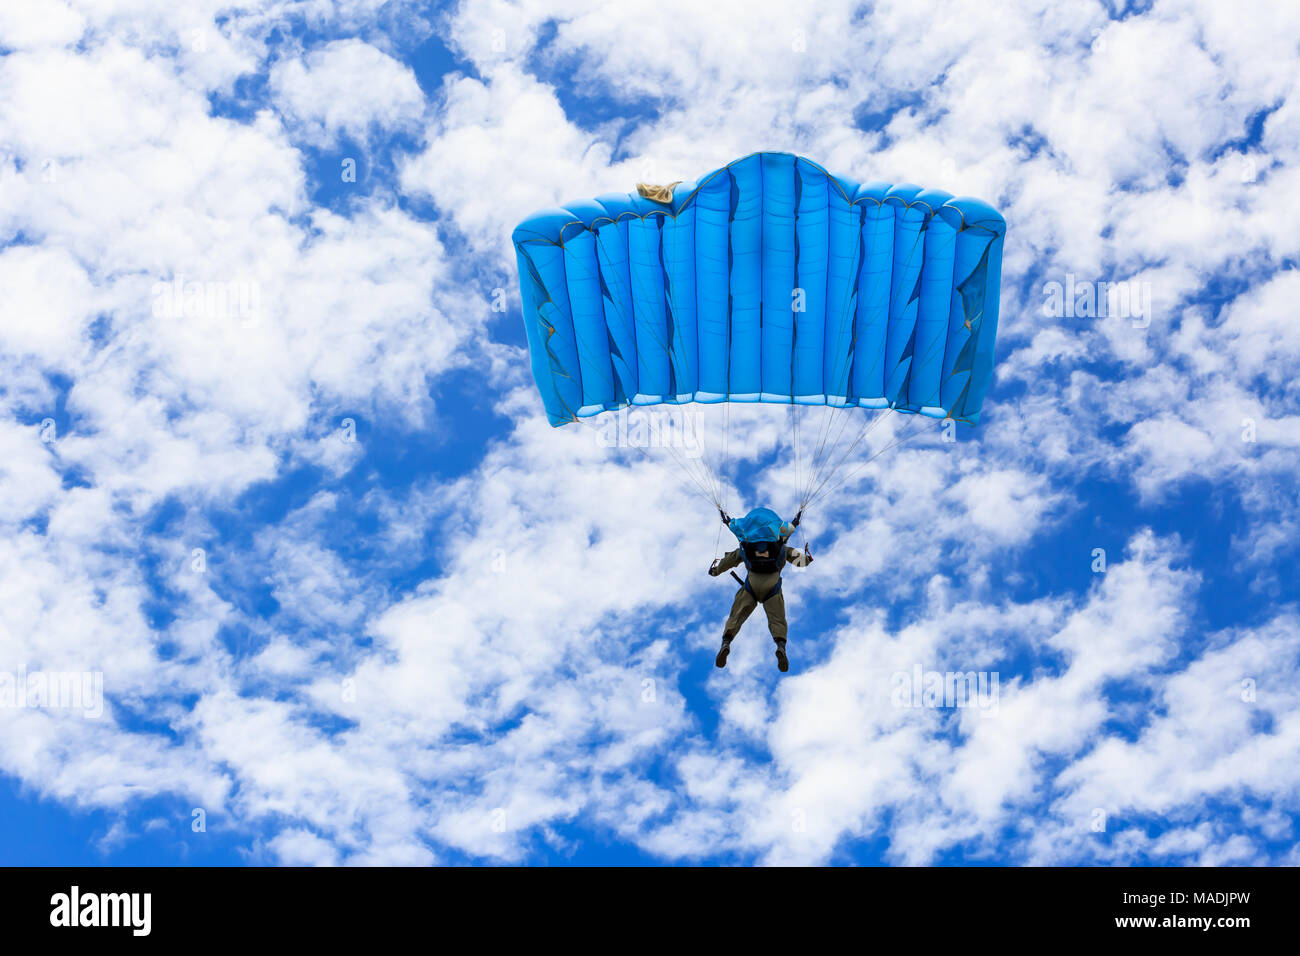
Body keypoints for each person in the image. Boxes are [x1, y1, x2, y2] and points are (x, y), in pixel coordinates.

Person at [709, 508, 813, 672]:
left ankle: (726, 642)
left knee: (736, 616)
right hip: (773, 588)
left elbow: (728, 561)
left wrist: (715, 571)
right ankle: (781, 646)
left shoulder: (745, 547)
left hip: (751, 586)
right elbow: (802, 562)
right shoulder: (782, 548)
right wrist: (808, 557)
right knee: (777, 619)